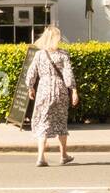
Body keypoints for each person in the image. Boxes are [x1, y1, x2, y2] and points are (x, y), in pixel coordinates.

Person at [24, 25, 78, 167]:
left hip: (43, 89)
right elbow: (68, 74)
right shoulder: (63, 54)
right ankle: (63, 155)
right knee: (61, 121)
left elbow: (31, 74)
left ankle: (41, 157)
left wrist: (30, 87)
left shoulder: (39, 54)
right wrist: (74, 91)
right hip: (60, 90)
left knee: (43, 122)